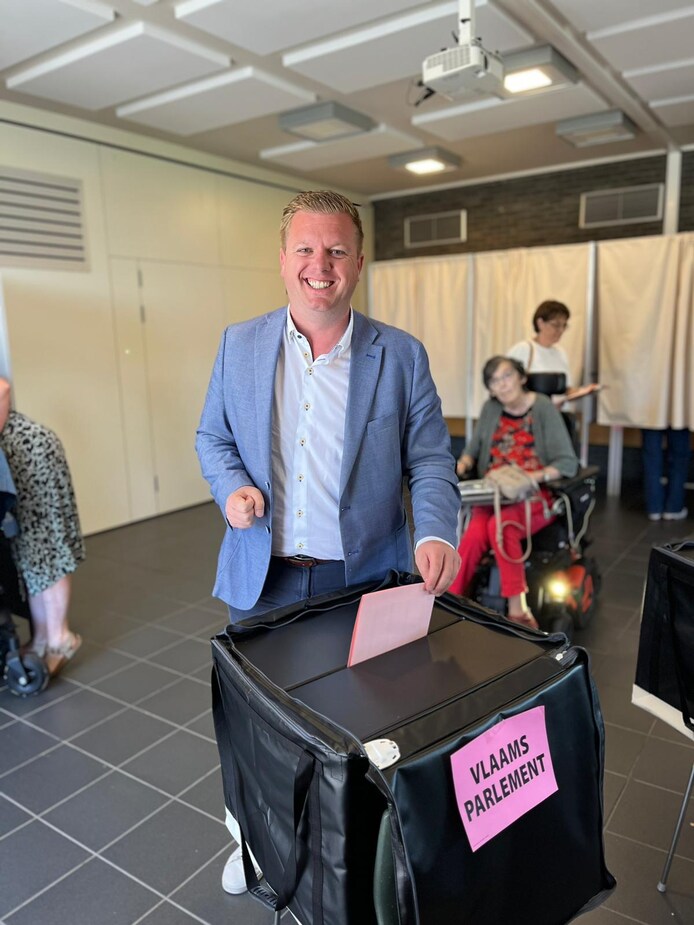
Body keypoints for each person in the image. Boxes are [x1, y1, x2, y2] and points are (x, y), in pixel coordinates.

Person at [196, 189, 461, 895]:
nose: (322, 264)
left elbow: (431, 459)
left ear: (359, 262)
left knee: (358, 730)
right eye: (307, 249)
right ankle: (255, 843)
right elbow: (213, 437)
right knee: (259, 728)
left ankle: (352, 859)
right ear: (283, 261)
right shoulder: (238, 344)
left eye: (337, 250)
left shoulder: (399, 355)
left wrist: (436, 529)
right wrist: (231, 490)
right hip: (265, 578)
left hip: (363, 579)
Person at [449, 356, 578, 627]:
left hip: (533, 493)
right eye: (494, 381)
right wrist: (464, 463)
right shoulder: (491, 408)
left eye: (506, 376)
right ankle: (449, 602)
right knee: (473, 535)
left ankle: (518, 610)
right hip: (495, 492)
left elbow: (567, 463)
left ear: (521, 377)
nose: (502, 385)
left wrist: (533, 476)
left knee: (502, 525)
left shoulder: (543, 408)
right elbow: (473, 450)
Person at [0, 378, 84, 677]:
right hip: (14, 459)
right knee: (29, 551)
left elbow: (2, 389)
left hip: (30, 453)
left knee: (49, 546)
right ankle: (41, 640)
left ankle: (61, 638)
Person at [507, 300, 600, 405]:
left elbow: (566, 389)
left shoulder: (560, 353)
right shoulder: (523, 349)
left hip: (557, 414)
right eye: (556, 325)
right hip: (532, 414)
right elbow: (508, 386)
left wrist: (583, 391)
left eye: (564, 326)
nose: (560, 330)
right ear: (540, 323)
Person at [641, 427, 691, 522]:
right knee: (679, 454)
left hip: (651, 413)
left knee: (651, 453)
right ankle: (674, 507)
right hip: (678, 412)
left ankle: (654, 507)